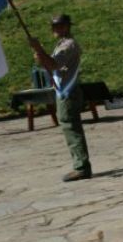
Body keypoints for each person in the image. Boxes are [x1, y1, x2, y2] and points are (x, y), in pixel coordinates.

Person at [29, 15, 92, 181]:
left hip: (68, 91)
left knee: (71, 127)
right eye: (53, 26)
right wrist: (40, 53)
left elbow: (54, 65)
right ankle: (80, 164)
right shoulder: (61, 44)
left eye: (58, 26)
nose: (54, 29)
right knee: (68, 126)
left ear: (66, 27)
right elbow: (50, 64)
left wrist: (40, 50)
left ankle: (81, 166)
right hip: (64, 90)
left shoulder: (68, 45)